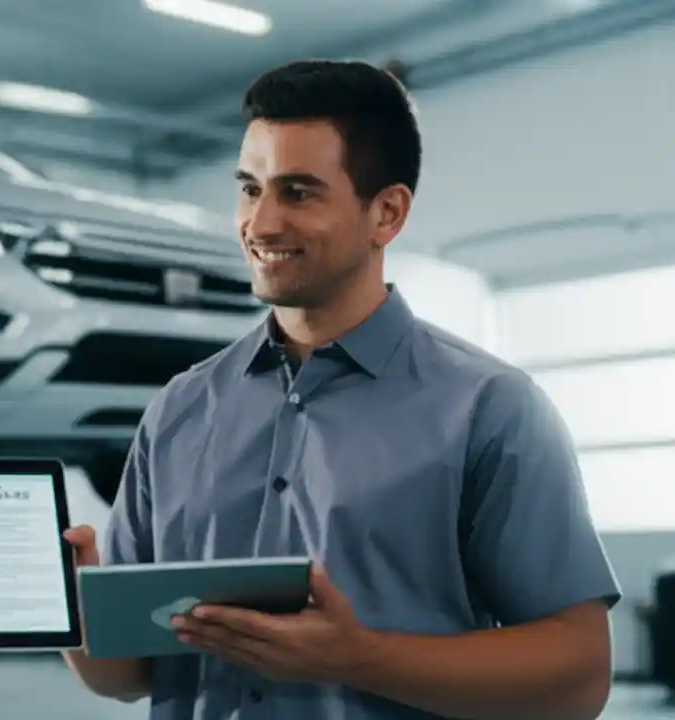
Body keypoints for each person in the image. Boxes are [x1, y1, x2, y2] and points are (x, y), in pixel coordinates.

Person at [63, 59, 621, 719]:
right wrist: (68, 603)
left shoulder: (490, 408)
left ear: (386, 213)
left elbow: (579, 677)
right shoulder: (180, 409)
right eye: (250, 189)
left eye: (298, 193)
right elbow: (127, 674)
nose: (260, 224)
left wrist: (359, 658)